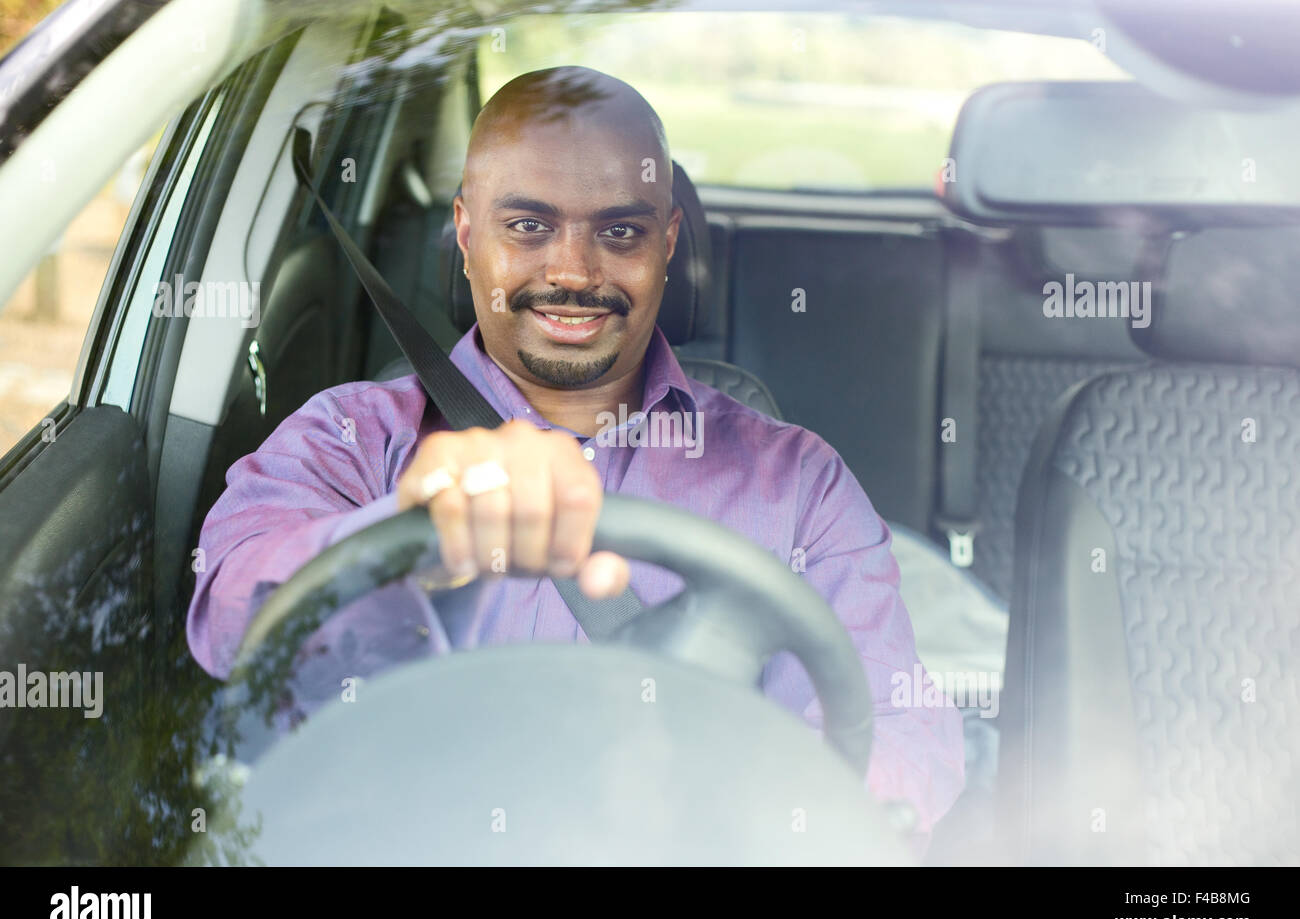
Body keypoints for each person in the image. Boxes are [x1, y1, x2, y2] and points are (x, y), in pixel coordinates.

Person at [187, 65, 964, 842]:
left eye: (620, 232)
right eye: (528, 227)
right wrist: (408, 538)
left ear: (666, 245)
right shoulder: (351, 439)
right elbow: (227, 616)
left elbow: (895, 726)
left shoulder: (798, 484)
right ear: (465, 235)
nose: (573, 272)